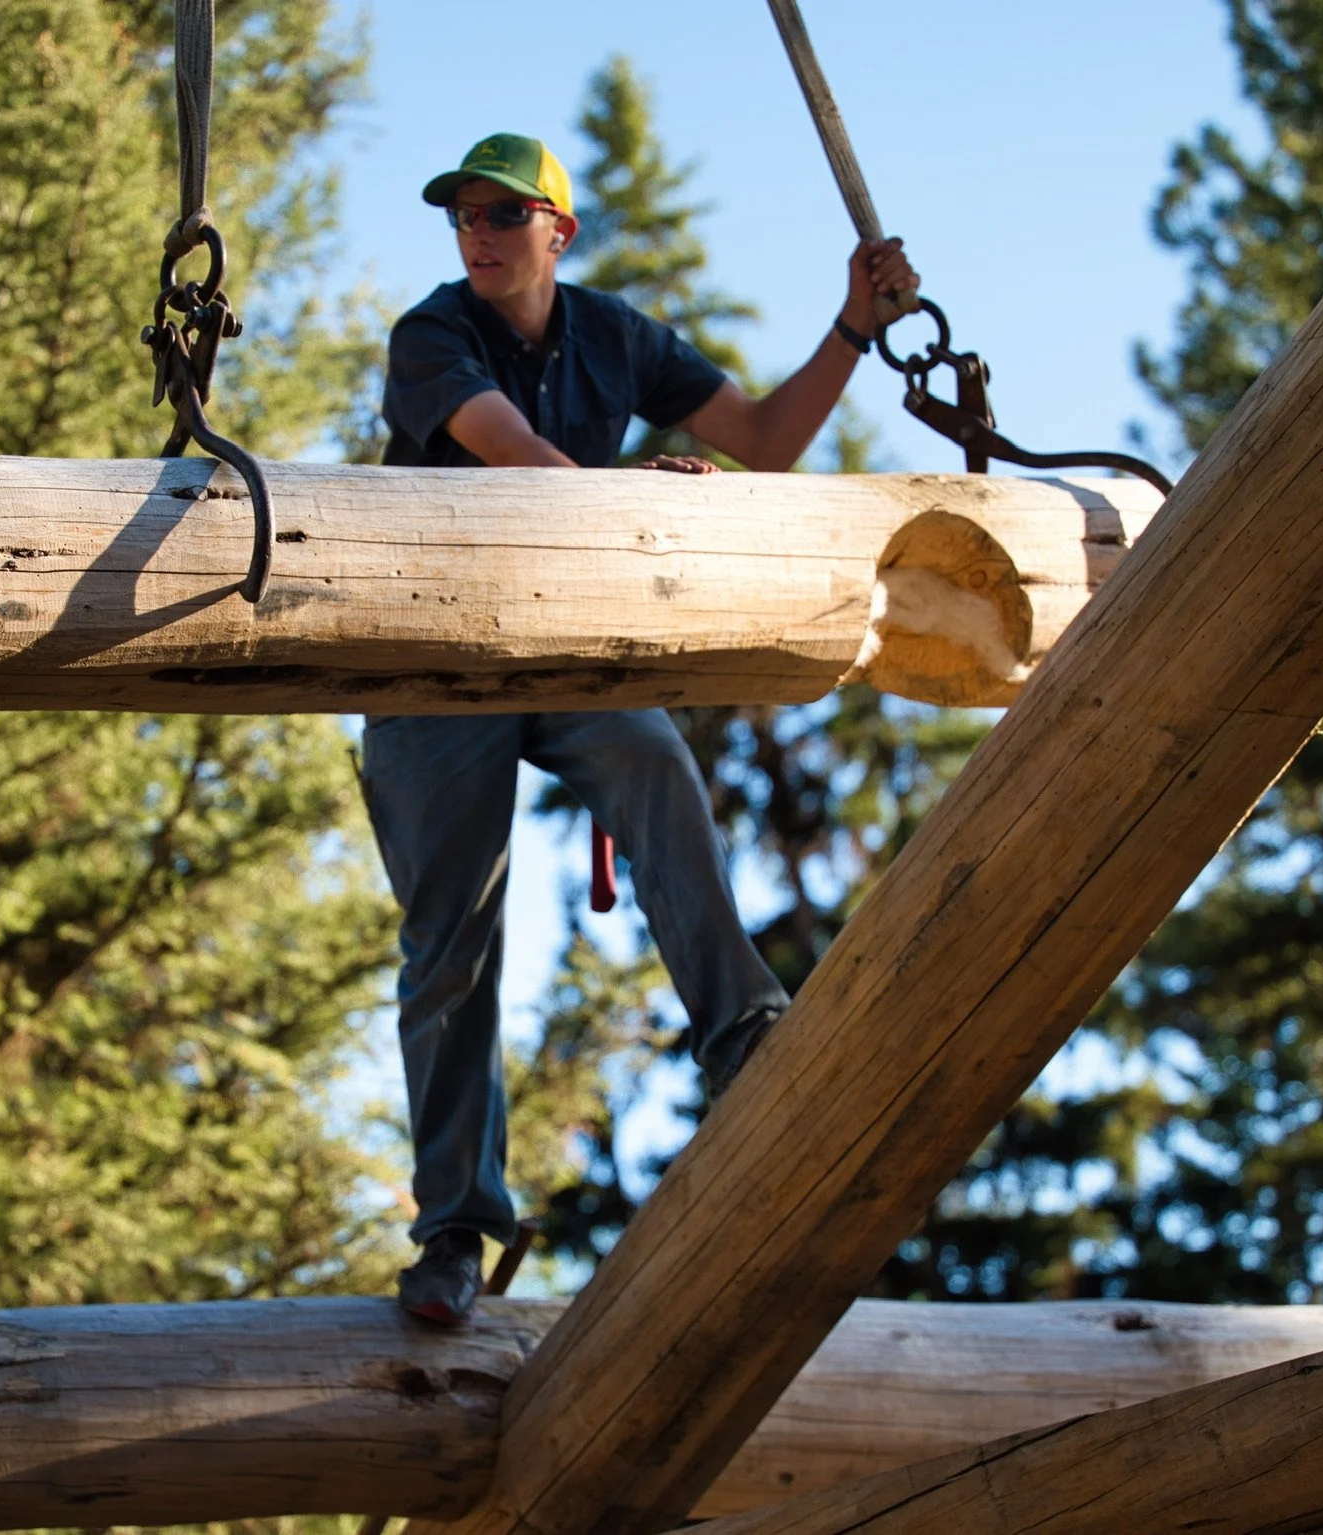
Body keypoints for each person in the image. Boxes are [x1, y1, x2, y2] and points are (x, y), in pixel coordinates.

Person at [367, 132, 919, 1324]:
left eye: (503, 216)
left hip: (562, 634)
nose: (478, 235)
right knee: (450, 941)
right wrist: (633, 496)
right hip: (430, 649)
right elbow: (512, 460)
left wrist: (853, 330)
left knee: (656, 765)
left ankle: (742, 1037)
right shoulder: (432, 336)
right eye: (463, 217)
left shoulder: (614, 334)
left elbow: (766, 444)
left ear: (557, 232)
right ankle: (455, 1226)